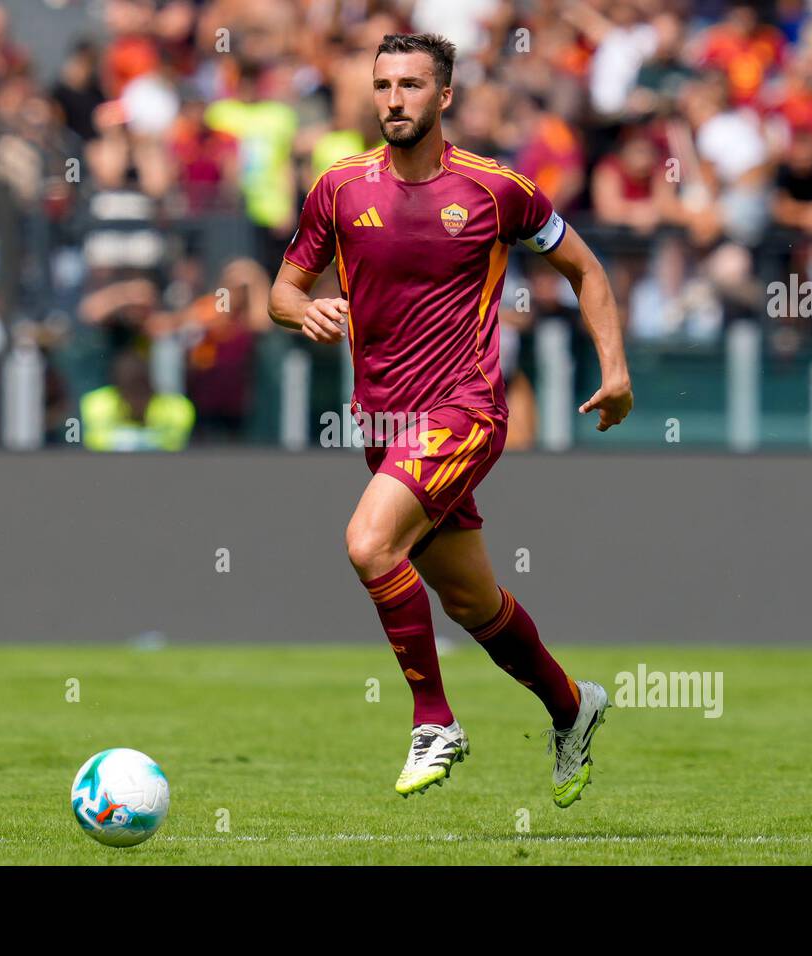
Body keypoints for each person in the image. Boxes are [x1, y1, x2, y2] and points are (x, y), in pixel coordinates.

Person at [267, 33, 633, 807]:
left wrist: (616, 371)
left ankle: (434, 720)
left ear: (444, 97)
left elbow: (585, 268)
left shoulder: (498, 191)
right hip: (384, 426)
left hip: (464, 409)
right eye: (383, 85)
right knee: (473, 603)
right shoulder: (337, 188)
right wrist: (306, 308)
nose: (393, 99)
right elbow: (281, 290)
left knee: (368, 544)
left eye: (409, 84)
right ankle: (574, 706)